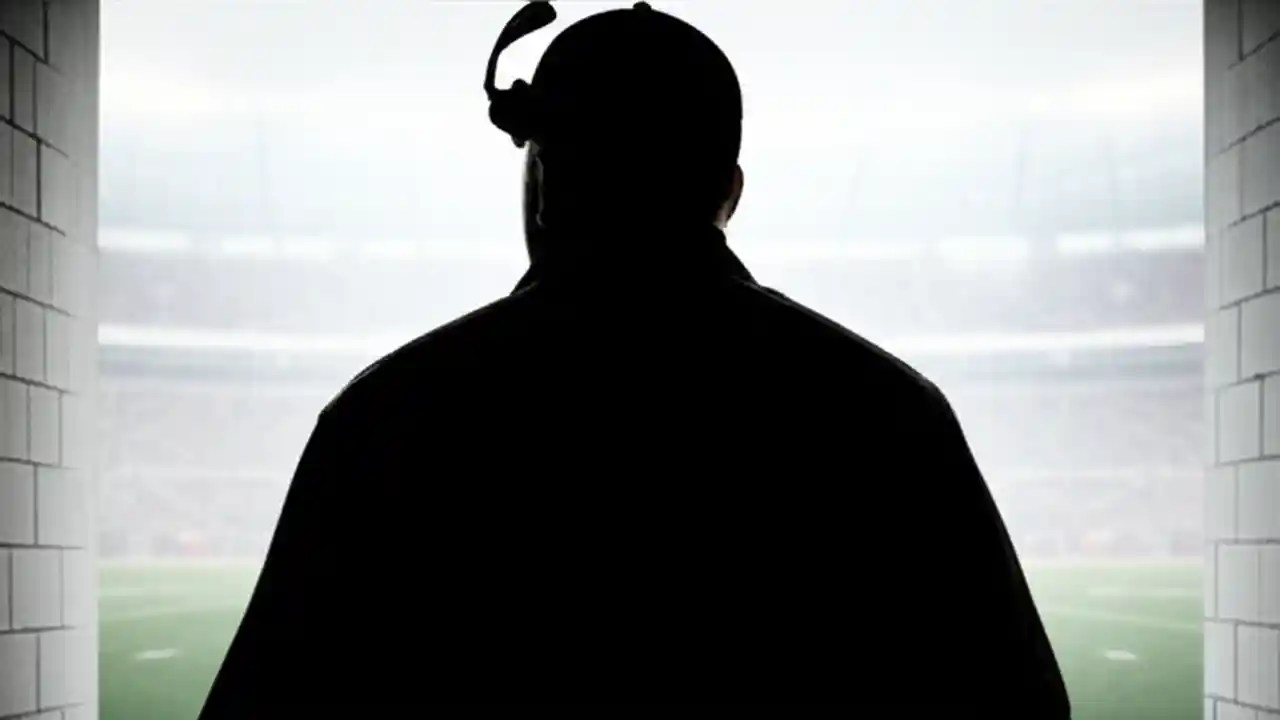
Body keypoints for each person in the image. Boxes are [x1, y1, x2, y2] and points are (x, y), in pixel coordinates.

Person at [198, 3, 1071, 716]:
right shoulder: (886, 412)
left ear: (540, 173)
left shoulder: (391, 415)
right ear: (728, 190)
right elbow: (1017, 702)